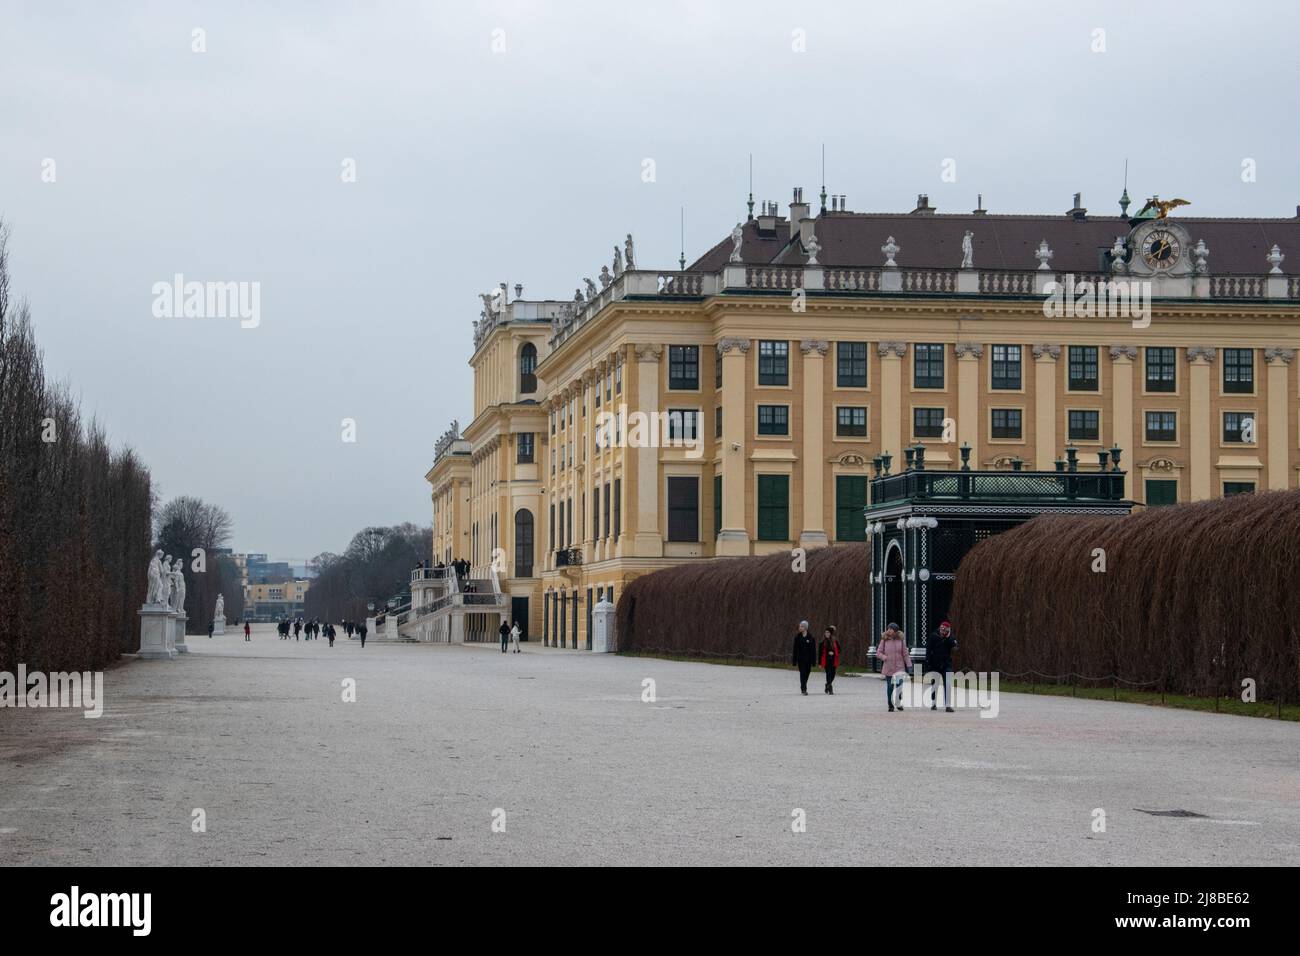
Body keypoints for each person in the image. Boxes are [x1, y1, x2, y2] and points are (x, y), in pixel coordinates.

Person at [925, 620, 957, 712]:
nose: (943, 632)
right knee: (935, 684)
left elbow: (954, 646)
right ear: (940, 628)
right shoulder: (933, 636)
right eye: (942, 629)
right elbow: (928, 650)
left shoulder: (950, 637)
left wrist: (948, 637)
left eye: (945, 630)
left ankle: (948, 705)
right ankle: (933, 703)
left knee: (948, 684)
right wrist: (928, 663)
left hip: (946, 664)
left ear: (948, 630)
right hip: (935, 664)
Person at [878, 623, 911, 712]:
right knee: (890, 686)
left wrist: (909, 665)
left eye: (891, 629)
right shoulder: (884, 640)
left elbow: (905, 653)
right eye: (888, 628)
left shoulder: (901, 640)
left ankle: (898, 702)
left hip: (900, 667)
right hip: (889, 667)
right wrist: (885, 658)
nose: (889, 630)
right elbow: (879, 652)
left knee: (899, 686)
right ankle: (890, 704)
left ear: (895, 631)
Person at [791, 620, 817, 696]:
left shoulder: (811, 637)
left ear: (805, 628)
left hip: (808, 660)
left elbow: (813, 651)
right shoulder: (797, 637)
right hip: (800, 659)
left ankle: (803, 685)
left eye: (801, 626)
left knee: (807, 674)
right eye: (800, 626)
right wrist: (794, 661)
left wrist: (813, 661)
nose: (800, 627)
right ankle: (803, 689)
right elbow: (795, 649)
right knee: (802, 673)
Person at [819, 625, 841, 695]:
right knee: (828, 673)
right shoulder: (822, 642)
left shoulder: (835, 641)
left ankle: (827, 684)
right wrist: (819, 663)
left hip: (833, 660)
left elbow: (840, 649)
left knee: (833, 673)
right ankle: (830, 688)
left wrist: (833, 652)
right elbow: (819, 653)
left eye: (828, 632)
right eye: (825, 633)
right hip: (826, 660)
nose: (827, 634)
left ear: (830, 633)